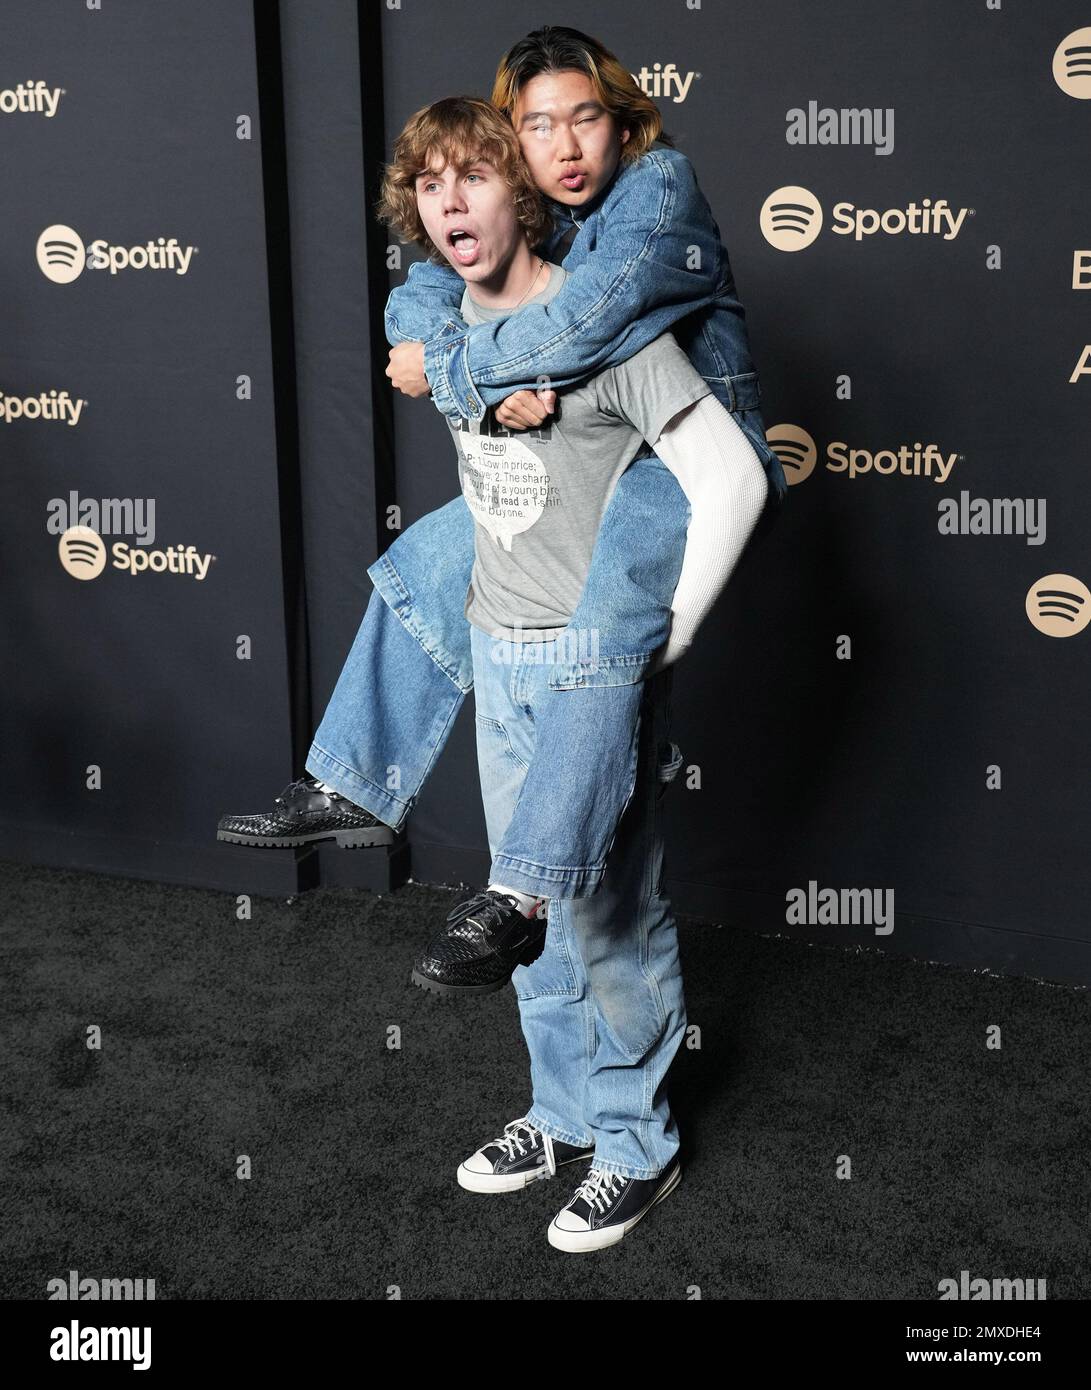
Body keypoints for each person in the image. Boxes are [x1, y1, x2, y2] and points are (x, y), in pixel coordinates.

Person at [218, 24, 785, 995]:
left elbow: (589, 320)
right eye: (535, 127)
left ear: (622, 123)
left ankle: (519, 898)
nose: (563, 146)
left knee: (607, 638)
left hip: (678, 459)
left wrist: (463, 371)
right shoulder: (538, 226)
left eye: (584, 119)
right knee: (430, 563)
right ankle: (352, 782)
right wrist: (459, 357)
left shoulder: (652, 194)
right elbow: (427, 283)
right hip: (541, 559)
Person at [379, 93, 768, 1249]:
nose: (452, 198)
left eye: (475, 175)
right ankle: (560, 1115)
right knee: (522, 910)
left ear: (524, 198)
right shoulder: (449, 330)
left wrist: (663, 635)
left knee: (608, 915)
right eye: (432, 182)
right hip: (500, 655)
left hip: (589, 667)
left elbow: (731, 480)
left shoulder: (613, 332)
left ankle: (637, 1146)